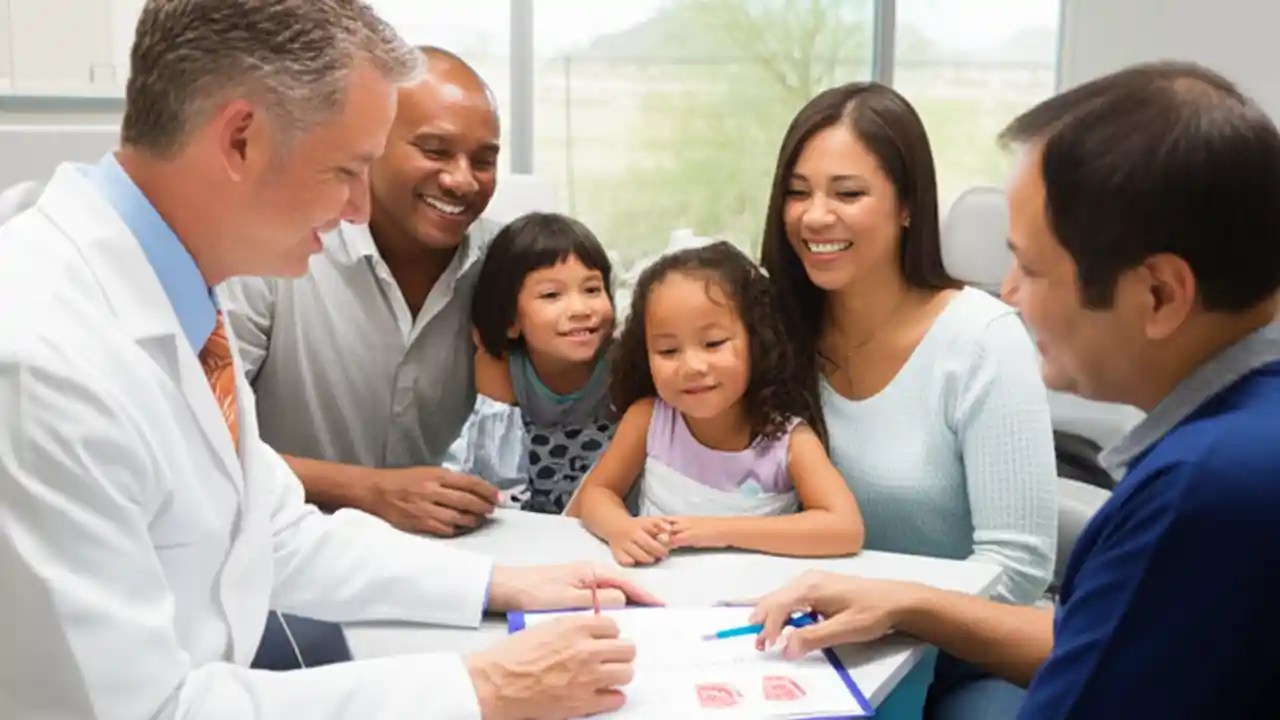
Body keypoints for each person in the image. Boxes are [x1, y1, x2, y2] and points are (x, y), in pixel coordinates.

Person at [0, 2, 658, 718]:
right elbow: (147, 712)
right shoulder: (40, 358)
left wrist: (500, 583)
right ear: (242, 140)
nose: (356, 209)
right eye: (348, 169)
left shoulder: (180, 299)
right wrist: (485, 688)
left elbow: (273, 534)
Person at [750, 62, 1280, 719]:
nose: (1007, 292)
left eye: (1030, 266)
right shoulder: (1231, 456)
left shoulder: (1202, 493)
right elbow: (1096, 642)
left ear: (1160, 294)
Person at [759, 82, 1058, 718]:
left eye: (848, 193)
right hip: (804, 643)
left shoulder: (981, 339)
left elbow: (1020, 568)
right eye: (797, 191)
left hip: (959, 657)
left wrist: (890, 608)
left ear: (907, 207)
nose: (814, 216)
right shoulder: (772, 330)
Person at [221, 45, 504, 538]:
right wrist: (367, 490)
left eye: (484, 160)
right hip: (283, 550)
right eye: (434, 150)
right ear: (369, 147)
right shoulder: (274, 253)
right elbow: (201, 438)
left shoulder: (509, 263)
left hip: (457, 554)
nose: (462, 180)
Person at [567, 242, 865, 565]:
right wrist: (621, 529)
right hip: (660, 598)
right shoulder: (649, 419)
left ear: (756, 341)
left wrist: (716, 531)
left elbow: (844, 529)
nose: (692, 366)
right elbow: (597, 494)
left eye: (713, 343)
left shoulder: (789, 440)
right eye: (668, 350)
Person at [444, 212, 618, 513]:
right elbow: (496, 477)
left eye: (592, 289)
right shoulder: (499, 365)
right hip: (528, 519)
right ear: (511, 320)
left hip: (608, 517)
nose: (580, 309)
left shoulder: (621, 364)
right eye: (552, 295)